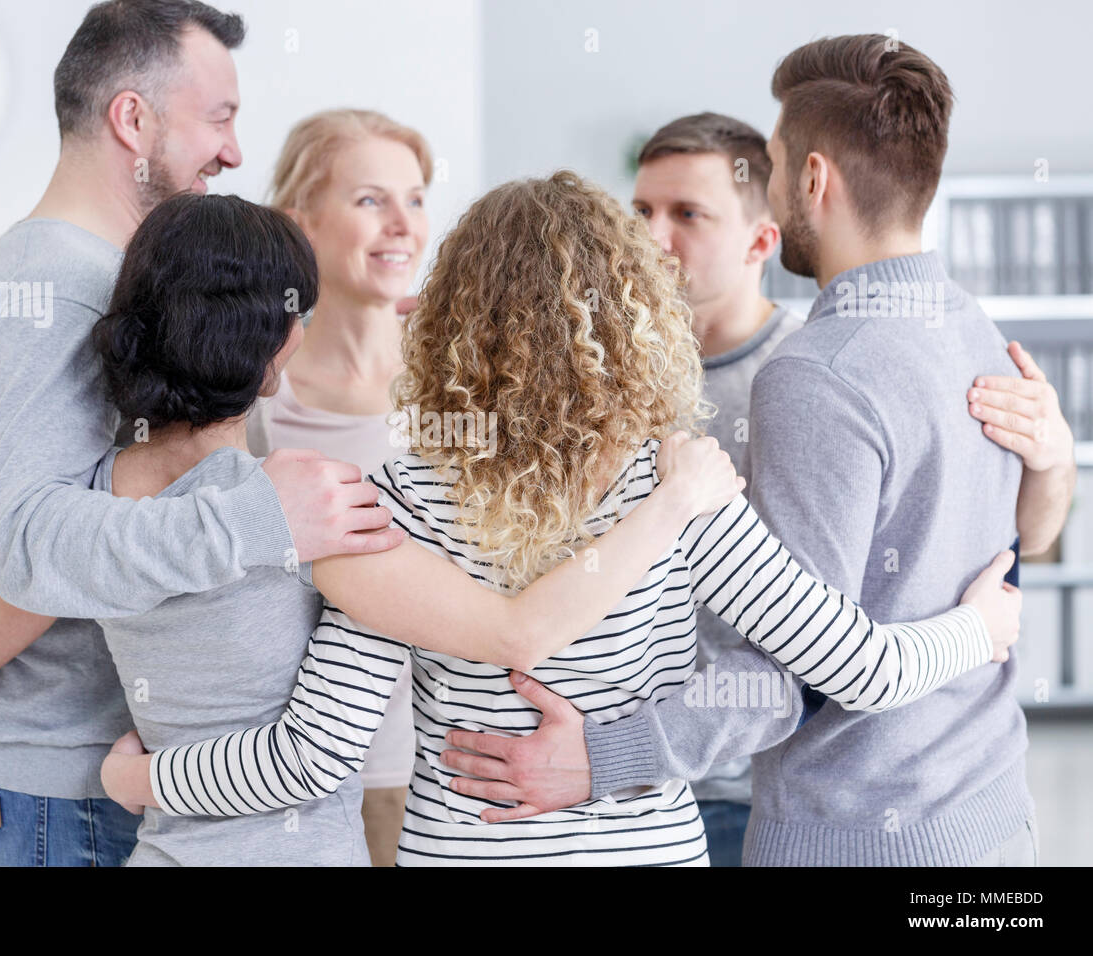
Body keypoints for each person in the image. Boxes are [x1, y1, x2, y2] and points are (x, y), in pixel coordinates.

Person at [99, 171, 1022, 866]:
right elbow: (857, 667)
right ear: (636, 318)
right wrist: (977, 630)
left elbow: (312, 755)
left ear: (455, 320)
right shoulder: (681, 489)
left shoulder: (396, 500)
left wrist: (147, 780)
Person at [441, 36, 1077, 867]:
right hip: (989, 812)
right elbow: (1001, 560)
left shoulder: (815, 372)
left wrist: (601, 756)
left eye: (773, 164)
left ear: (811, 180)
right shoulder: (971, 328)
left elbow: (796, 664)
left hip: (857, 834)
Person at [0, 0, 400, 867]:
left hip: (109, 774)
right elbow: (33, 542)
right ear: (132, 118)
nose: (234, 151)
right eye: (219, 117)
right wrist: (264, 518)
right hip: (67, 785)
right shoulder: (64, 290)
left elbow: (30, 519)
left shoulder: (101, 282)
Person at [245, 109, 433, 866]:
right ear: (302, 223)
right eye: (370, 200)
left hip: (458, 766)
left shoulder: (470, 381)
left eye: (416, 199)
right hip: (306, 774)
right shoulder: (257, 395)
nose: (403, 225)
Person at [630, 111, 804, 866]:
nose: (651, 238)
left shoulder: (803, 382)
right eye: (641, 211)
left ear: (761, 241)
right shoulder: (612, 374)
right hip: (615, 778)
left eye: (687, 215)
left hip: (742, 796)